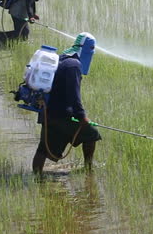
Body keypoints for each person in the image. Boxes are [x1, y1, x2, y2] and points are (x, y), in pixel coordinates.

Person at [32, 32, 101, 174]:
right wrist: (82, 117)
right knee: (91, 134)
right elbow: (73, 95)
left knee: (44, 149)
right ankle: (88, 169)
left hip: (48, 112)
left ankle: (36, 177)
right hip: (61, 114)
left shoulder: (63, 58)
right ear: (85, 49)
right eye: (91, 49)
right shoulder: (74, 65)